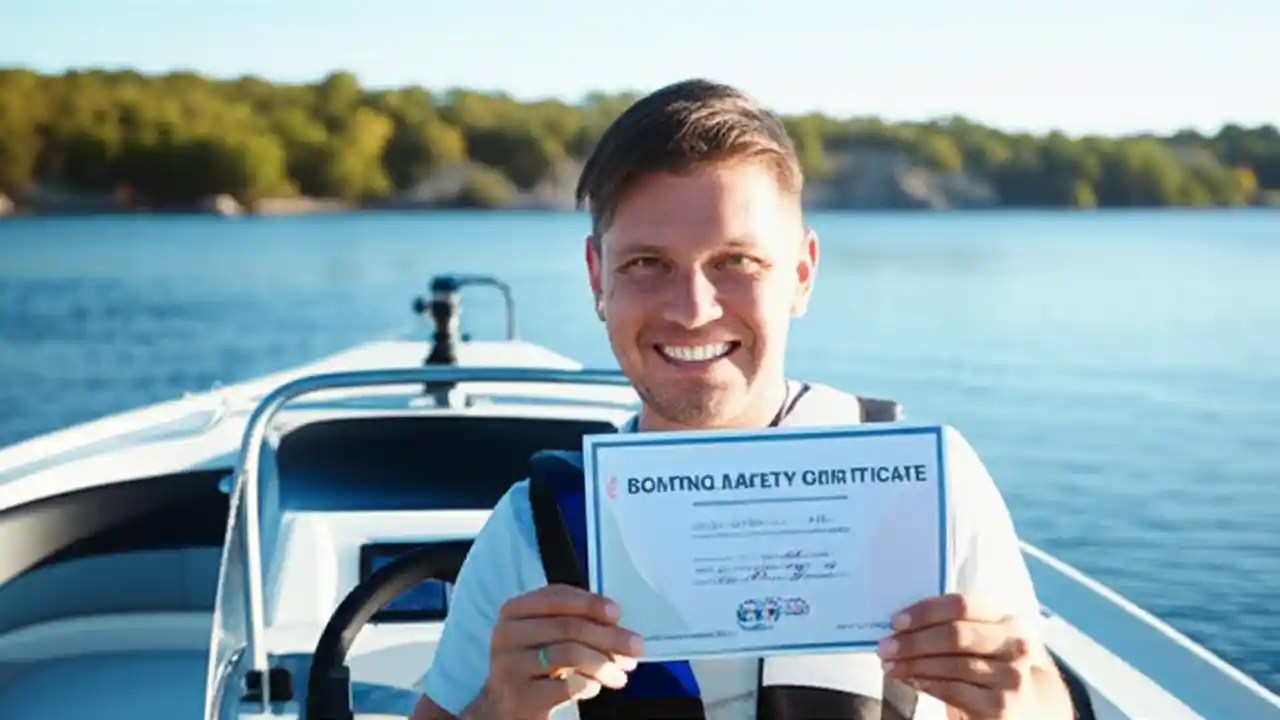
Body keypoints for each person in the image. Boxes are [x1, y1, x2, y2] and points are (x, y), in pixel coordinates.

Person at [409, 79, 1075, 720]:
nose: (693, 310)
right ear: (597, 277)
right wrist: (497, 710)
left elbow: (1039, 698)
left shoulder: (933, 491)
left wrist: (1022, 705)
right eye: (647, 264)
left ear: (802, 274)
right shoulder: (534, 529)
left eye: (737, 262)